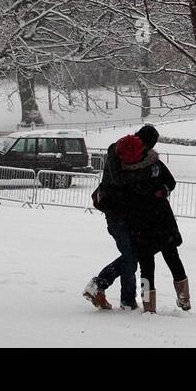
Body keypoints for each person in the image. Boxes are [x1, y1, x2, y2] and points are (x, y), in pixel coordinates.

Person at [82, 127, 159, 311]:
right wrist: (147, 173)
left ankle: (127, 300)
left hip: (125, 214)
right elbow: (118, 179)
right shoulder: (118, 152)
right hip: (117, 214)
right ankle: (99, 285)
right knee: (131, 256)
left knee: (131, 256)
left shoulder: (124, 152)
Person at [121, 129, 189, 314]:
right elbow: (171, 182)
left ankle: (149, 306)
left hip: (138, 224)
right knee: (172, 258)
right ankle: (184, 298)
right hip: (161, 220)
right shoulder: (154, 164)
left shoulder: (123, 166)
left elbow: (123, 197)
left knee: (146, 267)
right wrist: (163, 191)